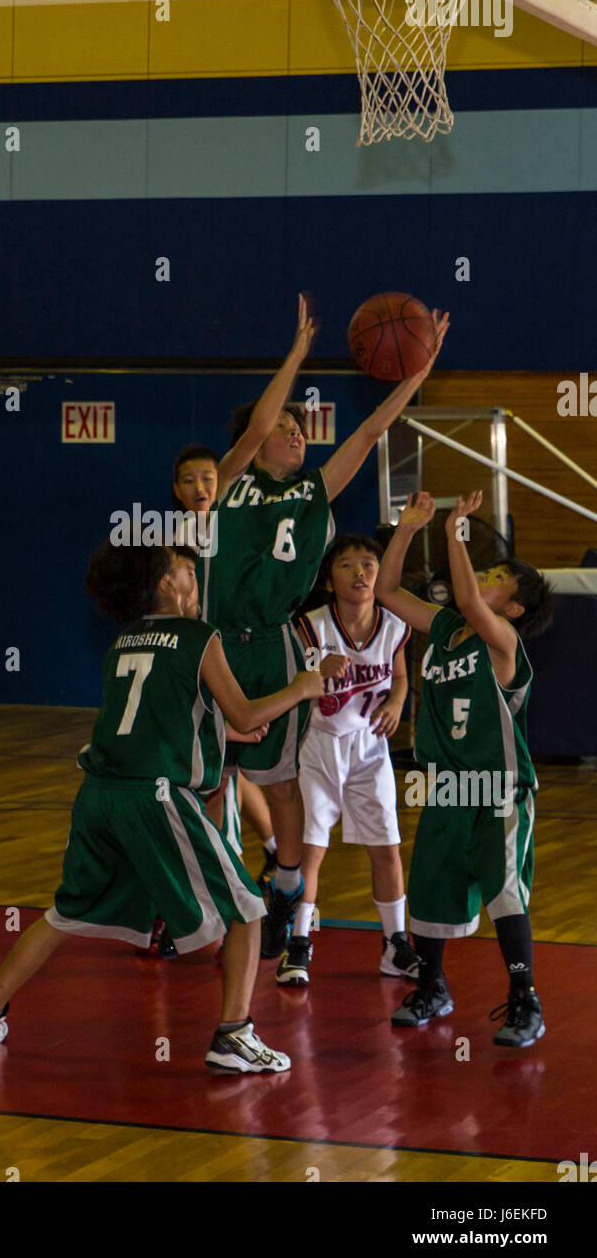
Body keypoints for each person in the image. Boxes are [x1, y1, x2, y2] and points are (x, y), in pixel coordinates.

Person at [0, 541, 347, 1073]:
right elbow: (249, 714)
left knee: (66, 915)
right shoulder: (199, 636)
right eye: (187, 571)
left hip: (99, 795)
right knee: (248, 908)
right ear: (165, 583)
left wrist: (220, 728)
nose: (196, 579)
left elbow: (152, 717)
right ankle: (233, 1036)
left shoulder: (125, 640)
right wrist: (303, 685)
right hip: (154, 796)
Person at [197, 293, 448, 960]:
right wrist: (298, 353)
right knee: (211, 780)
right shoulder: (229, 479)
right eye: (286, 424)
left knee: (279, 785)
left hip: (274, 643)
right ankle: (209, 895)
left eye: (301, 426)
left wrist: (418, 373)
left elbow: (368, 434)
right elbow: (252, 431)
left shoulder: (312, 493)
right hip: (216, 640)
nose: (297, 432)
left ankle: (282, 890)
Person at [375, 491, 553, 1046]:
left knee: (504, 892)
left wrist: (454, 532)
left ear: (515, 608)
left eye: (495, 575)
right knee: (431, 891)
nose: (481, 576)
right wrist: (407, 529)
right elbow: (384, 591)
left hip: (500, 789)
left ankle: (526, 1001)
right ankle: (433, 986)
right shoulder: (446, 627)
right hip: (448, 788)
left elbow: (475, 604)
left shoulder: (503, 641)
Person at [276, 534, 419, 987]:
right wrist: (317, 671)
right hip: (320, 744)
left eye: (368, 564)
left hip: (371, 747)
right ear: (329, 578)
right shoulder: (312, 625)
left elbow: (399, 676)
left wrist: (397, 704)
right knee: (310, 851)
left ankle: (396, 945)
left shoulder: (395, 625)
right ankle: (297, 945)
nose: (360, 572)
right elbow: (297, 679)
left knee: (388, 849)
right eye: (348, 565)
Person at [172, 444, 278, 886]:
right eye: (191, 480)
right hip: (195, 657)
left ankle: (223, 882)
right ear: (177, 490)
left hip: (236, 656)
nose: (201, 487)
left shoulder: (238, 527)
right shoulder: (174, 538)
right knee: (218, 768)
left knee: (224, 769)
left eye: (209, 478)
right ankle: (263, 855)